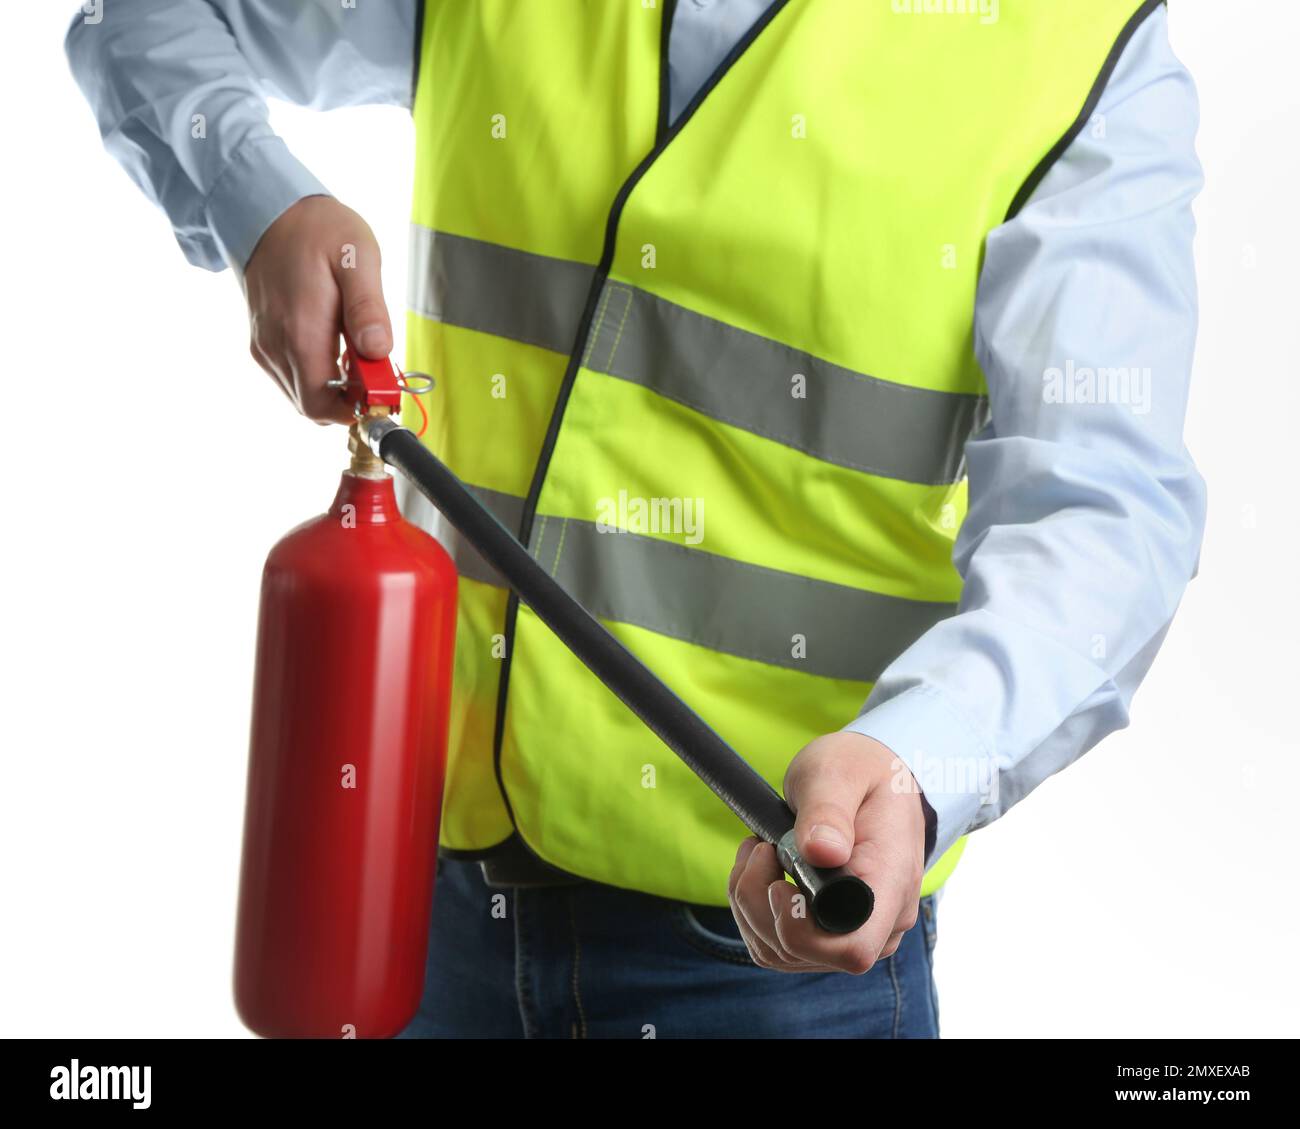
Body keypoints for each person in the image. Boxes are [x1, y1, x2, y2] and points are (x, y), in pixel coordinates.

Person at [67, 0, 1206, 1039]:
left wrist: (918, 761)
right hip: (424, 905)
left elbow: (1103, 516)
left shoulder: (1078, 48)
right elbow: (148, 20)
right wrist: (262, 204)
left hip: (773, 959)